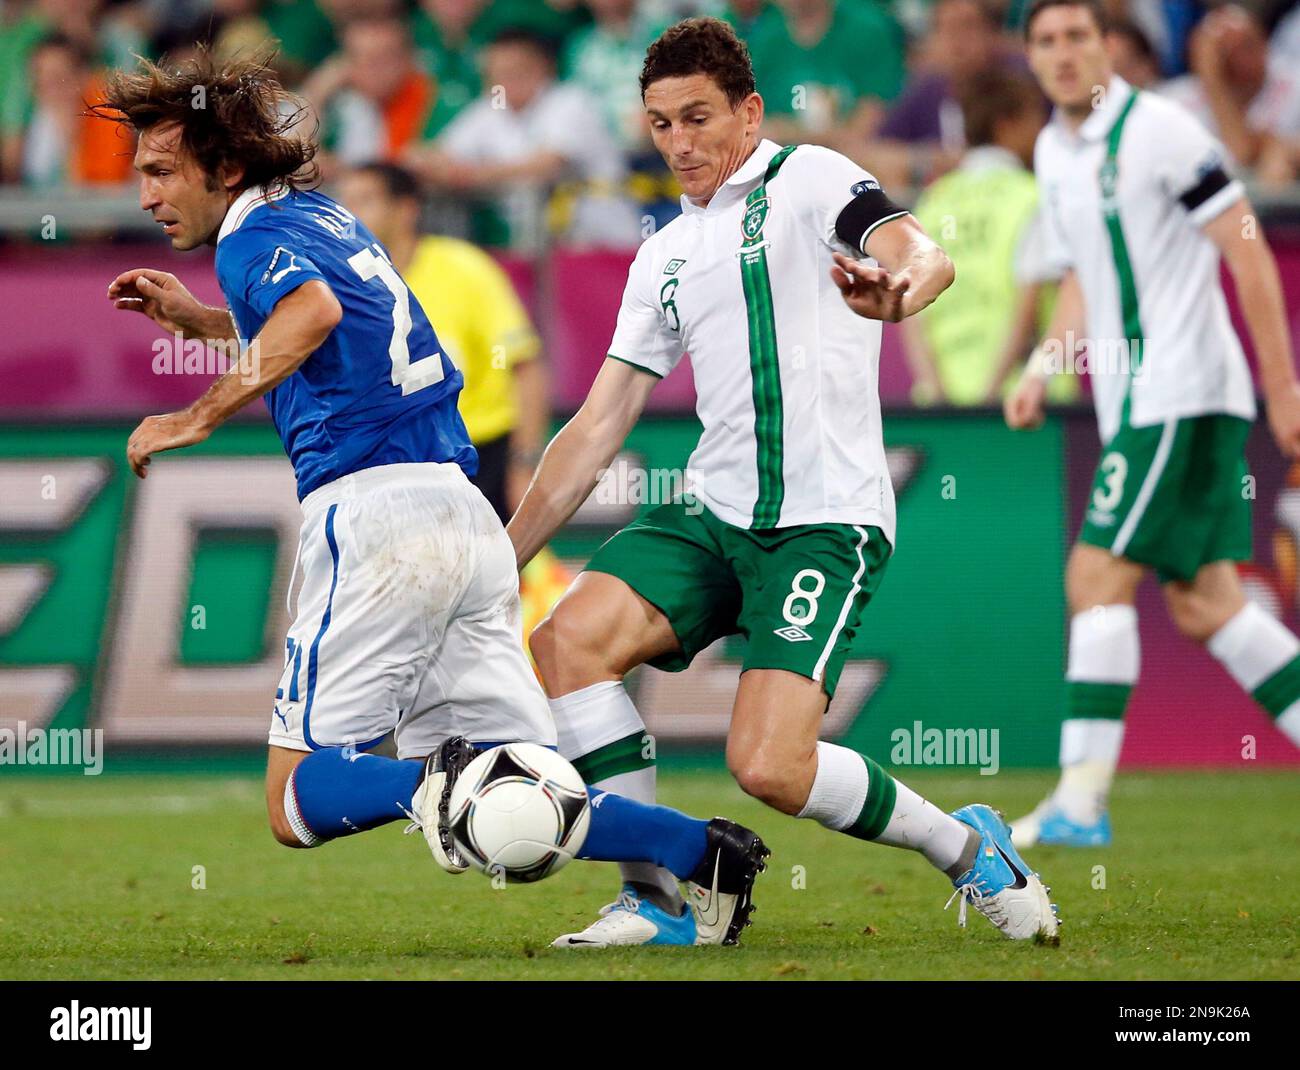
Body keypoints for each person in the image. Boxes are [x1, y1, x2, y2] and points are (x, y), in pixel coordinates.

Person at [93, 49, 770, 946]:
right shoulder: (322, 218)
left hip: (377, 523)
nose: (145, 194)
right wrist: (205, 322)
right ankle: (704, 852)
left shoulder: (252, 240)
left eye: (160, 171)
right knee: (527, 784)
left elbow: (311, 318)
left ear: (224, 166)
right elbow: (343, 321)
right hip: (460, 513)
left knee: (295, 800)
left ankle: (441, 782)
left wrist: (197, 413)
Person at [507, 16, 1060, 948]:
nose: (680, 144)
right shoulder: (663, 256)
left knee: (769, 766)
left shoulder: (809, 177)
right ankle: (656, 901)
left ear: (751, 110)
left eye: (698, 118)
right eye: (660, 124)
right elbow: (598, 423)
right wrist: (502, 558)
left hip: (823, 523)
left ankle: (970, 849)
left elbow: (925, 251)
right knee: (566, 642)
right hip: (714, 514)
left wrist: (903, 290)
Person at [1005, 0, 1300, 848]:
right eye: (1047, 41)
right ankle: (1079, 804)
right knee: (1209, 604)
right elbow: (1081, 278)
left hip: (1180, 390)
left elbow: (1246, 244)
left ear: (1109, 50)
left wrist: (1284, 390)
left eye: (1078, 38)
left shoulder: (1162, 131)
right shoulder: (1055, 151)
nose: (1063, 55)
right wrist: (1041, 366)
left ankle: (1079, 804)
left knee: (1094, 579)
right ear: (1030, 57)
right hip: (1143, 402)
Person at [336, 161, 546, 522]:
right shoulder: (342, 289)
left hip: (481, 456)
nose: (350, 215)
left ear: (406, 209)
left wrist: (523, 463)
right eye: (344, 203)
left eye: (364, 200)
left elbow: (525, 368)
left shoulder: (465, 269)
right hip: (395, 465)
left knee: (501, 575)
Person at [905, 68, 1065, 406]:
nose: (1041, 129)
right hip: (1018, 401)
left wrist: (935, 391)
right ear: (1006, 124)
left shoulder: (933, 201)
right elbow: (1029, 302)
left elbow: (911, 310)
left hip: (942, 403)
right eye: (1033, 116)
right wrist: (990, 395)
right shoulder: (1030, 196)